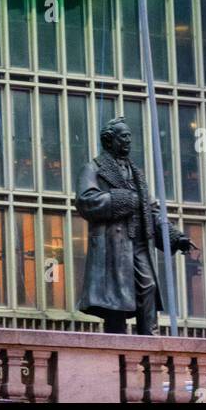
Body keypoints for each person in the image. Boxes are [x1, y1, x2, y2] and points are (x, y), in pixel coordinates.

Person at [75, 115, 193, 335]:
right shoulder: (93, 168)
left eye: (130, 136)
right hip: (114, 247)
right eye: (124, 137)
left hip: (139, 244)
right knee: (116, 301)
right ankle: (117, 348)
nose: (129, 141)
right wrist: (125, 199)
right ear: (110, 140)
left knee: (148, 287)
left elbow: (152, 210)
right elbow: (86, 201)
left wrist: (174, 237)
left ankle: (149, 342)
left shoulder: (137, 173)